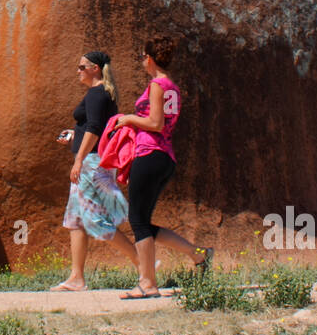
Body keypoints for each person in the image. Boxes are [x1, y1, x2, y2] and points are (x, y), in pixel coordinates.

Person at [113, 35, 212, 299]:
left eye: (143, 56)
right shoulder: (173, 87)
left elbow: (155, 123)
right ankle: (198, 254)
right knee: (142, 221)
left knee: (137, 220)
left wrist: (129, 118)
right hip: (164, 156)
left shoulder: (157, 84)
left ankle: (147, 283)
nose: (142, 61)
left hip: (150, 153)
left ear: (151, 58)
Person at [50, 50, 139, 291]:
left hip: (91, 162)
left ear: (95, 69)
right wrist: (72, 135)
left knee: (96, 221)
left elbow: (95, 129)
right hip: (93, 160)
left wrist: (78, 160)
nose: (78, 71)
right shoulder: (101, 94)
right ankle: (76, 278)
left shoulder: (97, 94)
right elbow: (88, 128)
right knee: (76, 220)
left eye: (82, 67)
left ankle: (143, 264)